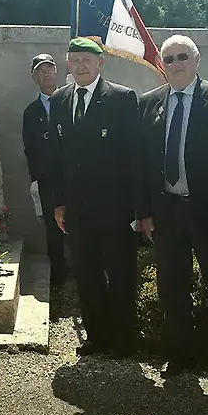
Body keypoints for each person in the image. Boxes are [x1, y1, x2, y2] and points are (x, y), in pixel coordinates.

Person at [137, 35, 208, 384]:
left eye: (183, 57)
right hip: (167, 213)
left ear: (197, 60)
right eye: (168, 59)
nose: (176, 64)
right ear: (162, 65)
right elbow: (140, 165)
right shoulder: (148, 103)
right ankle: (180, 355)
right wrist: (144, 212)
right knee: (171, 287)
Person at [49, 37, 142, 357]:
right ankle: (96, 336)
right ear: (67, 64)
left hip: (116, 209)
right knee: (86, 276)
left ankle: (122, 339)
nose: (81, 65)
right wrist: (59, 203)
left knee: (120, 275)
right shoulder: (59, 100)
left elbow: (135, 157)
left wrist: (137, 209)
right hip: (78, 209)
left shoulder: (121, 98)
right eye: (75, 60)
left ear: (101, 63)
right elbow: (56, 158)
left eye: (88, 60)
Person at [21, 53, 68, 286]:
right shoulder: (31, 112)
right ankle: (59, 274)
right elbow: (30, 148)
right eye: (41, 70)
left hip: (74, 175)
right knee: (53, 226)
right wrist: (37, 178)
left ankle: (84, 272)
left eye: (49, 68)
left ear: (57, 71)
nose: (46, 73)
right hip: (48, 179)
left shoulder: (71, 100)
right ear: (34, 77)